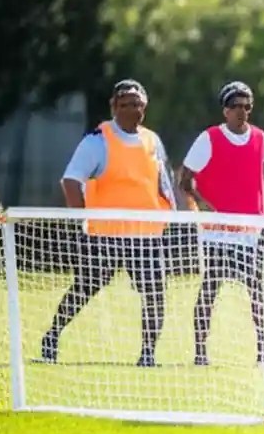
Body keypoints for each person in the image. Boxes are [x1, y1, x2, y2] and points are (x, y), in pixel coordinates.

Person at [41, 79, 177, 366]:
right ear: (114, 106)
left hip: (145, 235)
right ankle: (51, 337)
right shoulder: (98, 140)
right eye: (126, 104)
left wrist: (170, 213)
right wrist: (81, 220)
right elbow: (70, 181)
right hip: (106, 234)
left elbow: (163, 182)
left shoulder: (152, 141)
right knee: (84, 288)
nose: (133, 110)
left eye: (138, 104)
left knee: (154, 293)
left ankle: (148, 354)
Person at [179, 81, 264, 366]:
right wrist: (203, 206)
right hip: (218, 233)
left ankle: (263, 353)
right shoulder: (209, 138)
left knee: (257, 291)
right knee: (210, 289)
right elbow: (185, 180)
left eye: (246, 106)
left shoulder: (260, 138)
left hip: (250, 231)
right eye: (235, 106)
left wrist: (262, 218)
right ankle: (200, 352)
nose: (241, 111)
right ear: (225, 110)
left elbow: (256, 179)